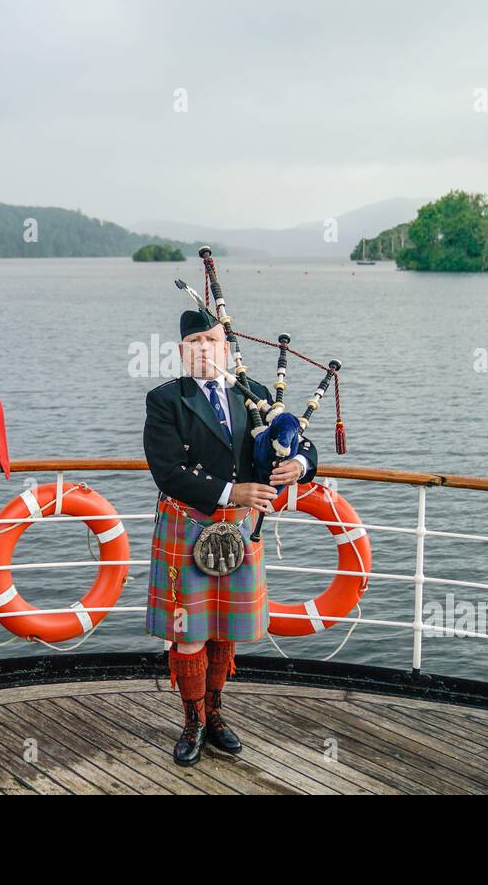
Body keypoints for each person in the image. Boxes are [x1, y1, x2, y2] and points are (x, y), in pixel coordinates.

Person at [142, 306, 318, 766]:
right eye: (195, 343)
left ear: (227, 348)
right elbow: (167, 472)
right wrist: (231, 490)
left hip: (240, 529)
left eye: (213, 342)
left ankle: (216, 714)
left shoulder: (254, 393)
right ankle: (193, 721)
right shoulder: (166, 400)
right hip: (190, 524)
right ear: (182, 352)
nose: (205, 350)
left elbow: (297, 441)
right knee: (189, 636)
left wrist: (297, 465)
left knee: (224, 634)